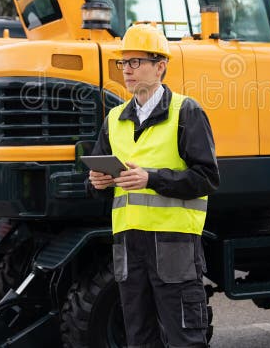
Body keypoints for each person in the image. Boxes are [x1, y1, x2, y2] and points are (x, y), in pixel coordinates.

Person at [88, 23, 219, 348]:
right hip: (129, 248)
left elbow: (207, 178)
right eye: (123, 63)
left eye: (135, 62)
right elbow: (97, 187)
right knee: (139, 339)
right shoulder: (114, 119)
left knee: (184, 339)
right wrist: (96, 182)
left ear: (160, 66)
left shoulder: (186, 113)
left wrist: (152, 178)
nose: (127, 70)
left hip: (174, 245)